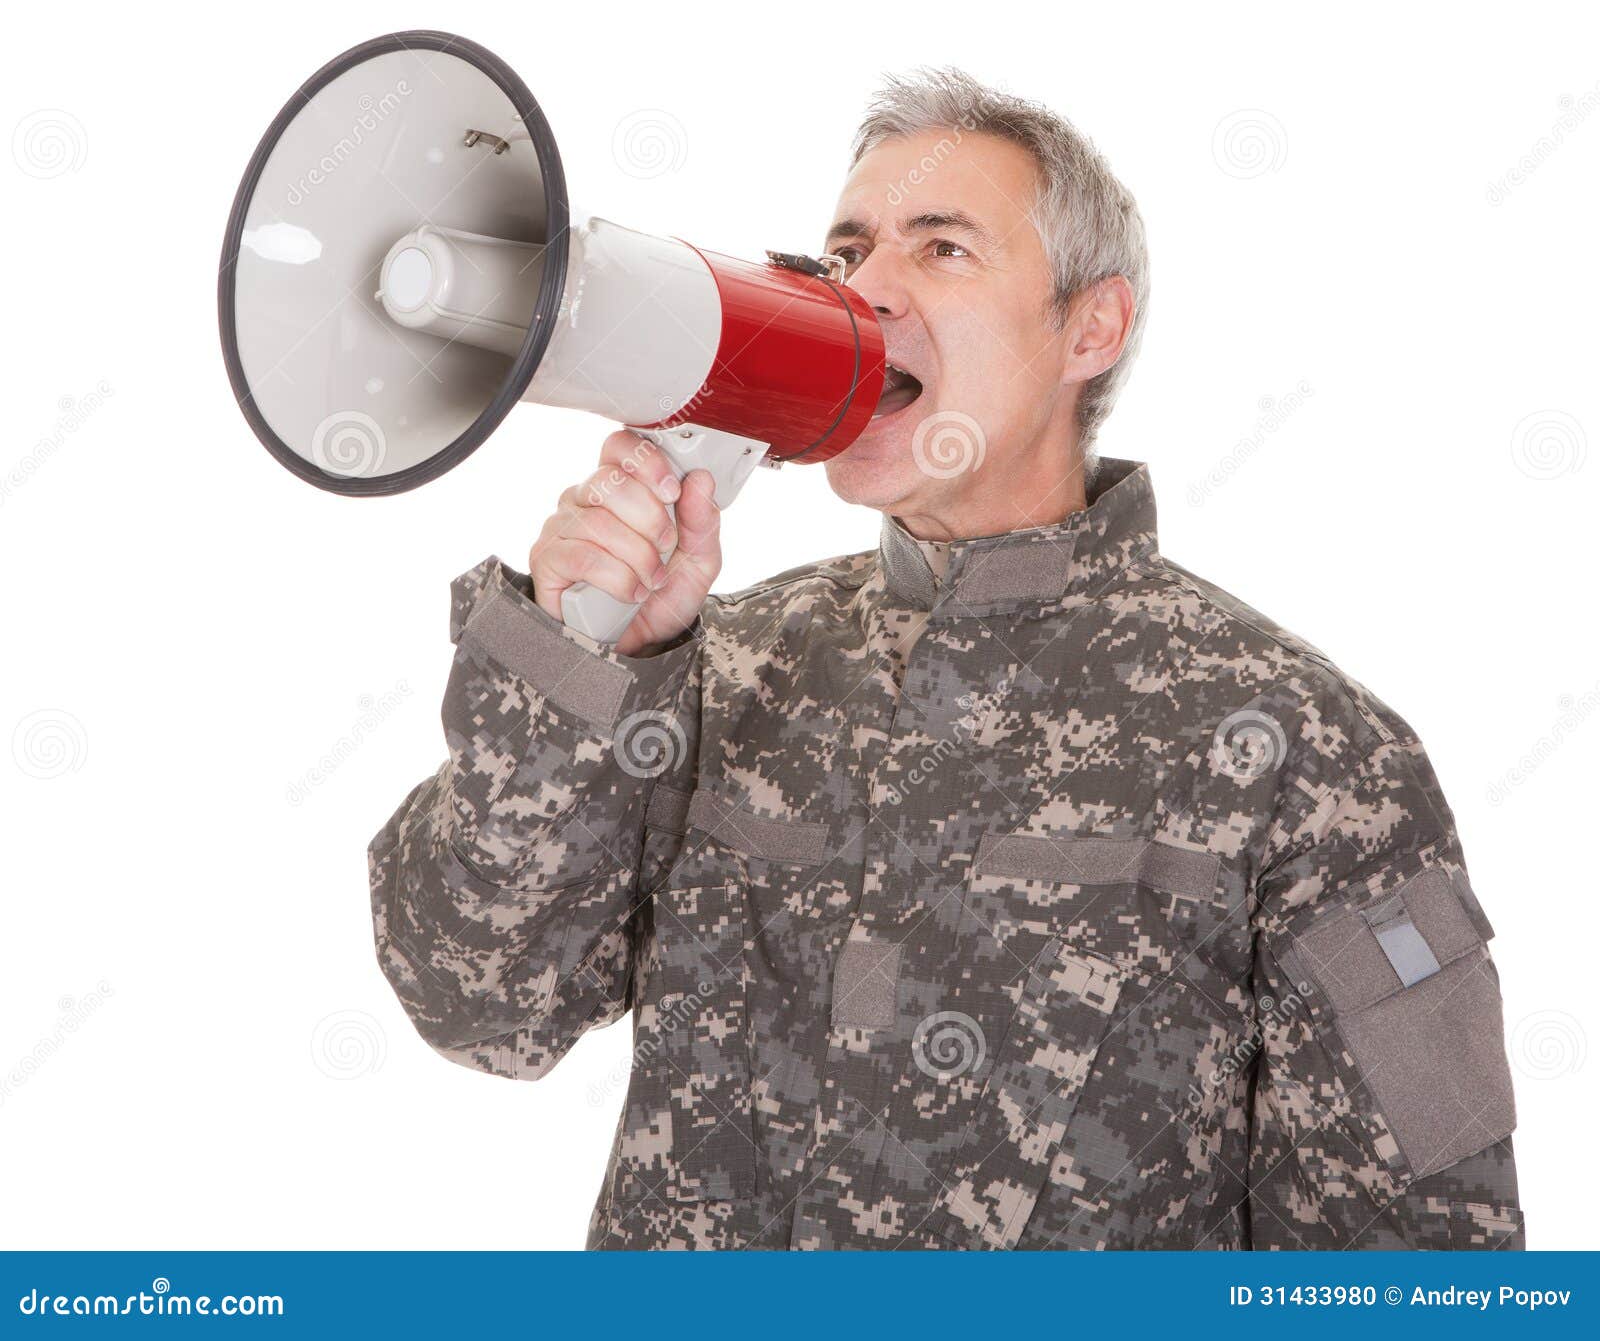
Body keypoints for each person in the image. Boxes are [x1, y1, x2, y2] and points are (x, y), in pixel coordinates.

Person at [366, 69, 1523, 1250]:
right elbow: (480, 1005)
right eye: (847, 248)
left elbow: (1420, 1261)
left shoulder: (1308, 746)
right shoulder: (710, 668)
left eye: (942, 248)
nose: (865, 290)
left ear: (1092, 326)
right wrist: (585, 655)